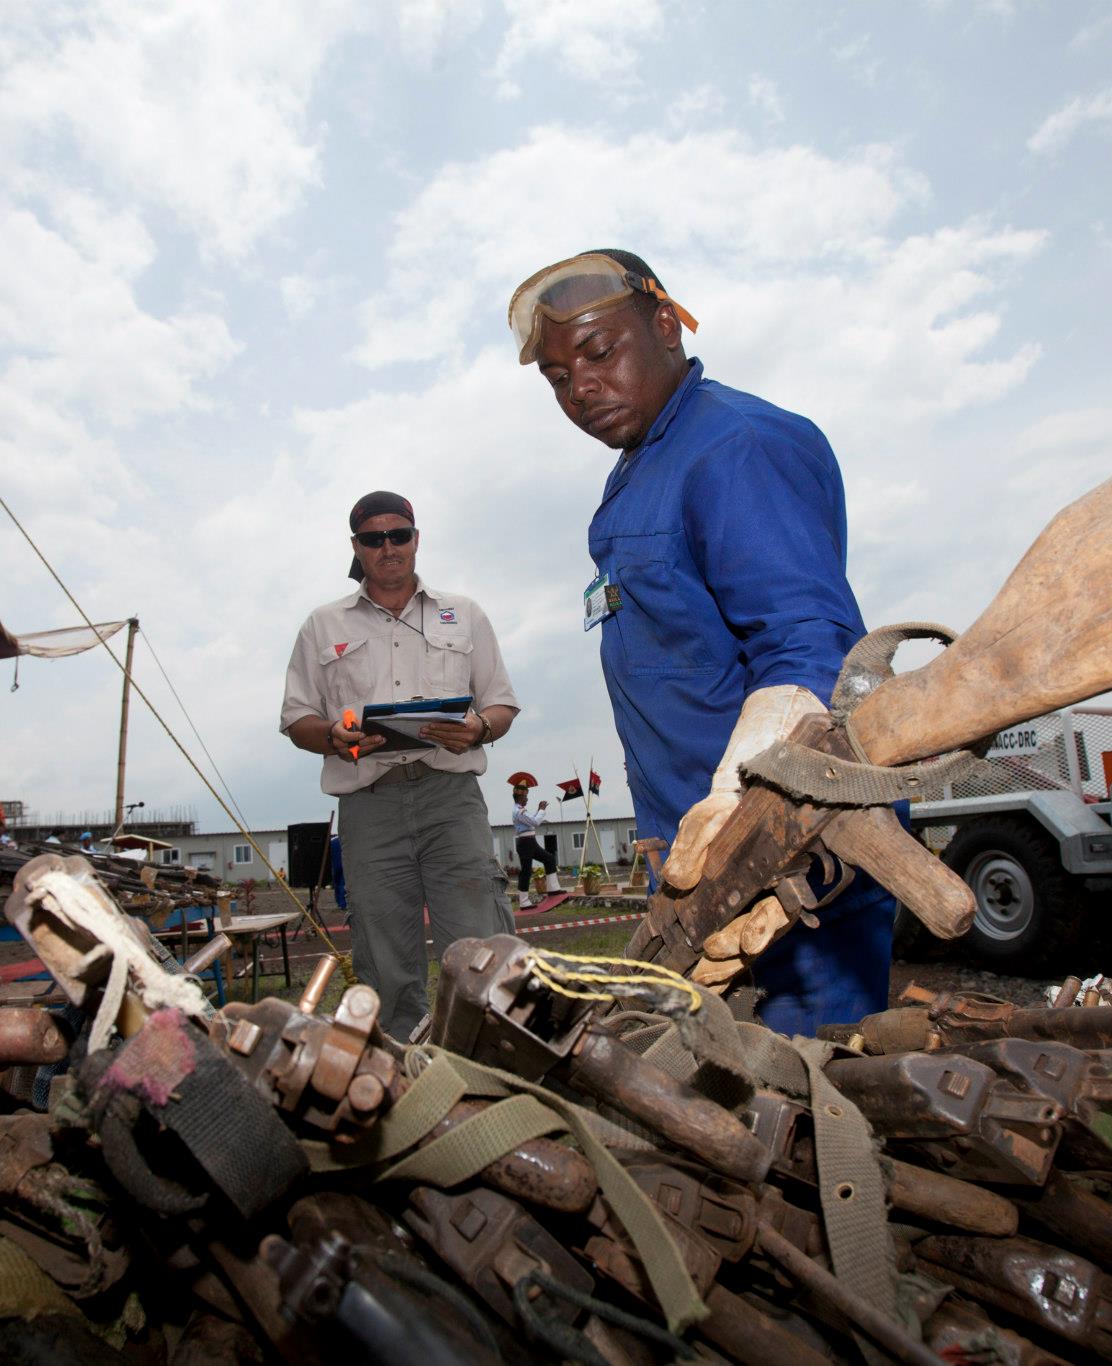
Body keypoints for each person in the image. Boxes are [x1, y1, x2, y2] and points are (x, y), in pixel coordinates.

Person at [510, 249, 897, 1033]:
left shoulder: (733, 445)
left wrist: (742, 818)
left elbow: (806, 647)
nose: (580, 388)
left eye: (598, 353)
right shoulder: (640, 467)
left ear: (665, 326)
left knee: (816, 1105)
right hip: (694, 861)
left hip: (785, 861)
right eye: (556, 378)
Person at [279, 491, 522, 1038]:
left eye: (399, 535)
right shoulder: (322, 624)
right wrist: (334, 737)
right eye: (373, 538)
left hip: (450, 798)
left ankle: (496, 1061)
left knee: (481, 943)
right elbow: (297, 721)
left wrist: (478, 728)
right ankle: (398, 1078)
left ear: (416, 539)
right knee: (384, 954)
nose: (387, 547)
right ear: (356, 548)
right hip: (369, 803)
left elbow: (502, 703)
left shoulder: (464, 614)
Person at [511, 784, 555, 907]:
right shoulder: (520, 811)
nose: (527, 799)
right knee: (526, 871)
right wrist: (541, 809)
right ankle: (524, 902)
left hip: (530, 842)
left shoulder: (520, 810)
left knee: (549, 859)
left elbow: (532, 820)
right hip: (525, 843)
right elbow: (535, 822)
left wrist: (539, 811)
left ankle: (553, 889)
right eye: (526, 796)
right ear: (520, 797)